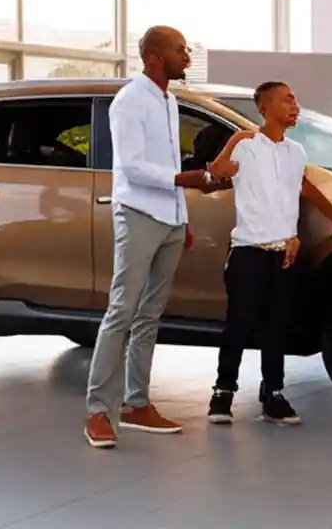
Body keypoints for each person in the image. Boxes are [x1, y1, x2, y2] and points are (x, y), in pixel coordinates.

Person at [83, 25, 224, 449]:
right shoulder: (129, 101)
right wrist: (191, 179)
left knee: (150, 315)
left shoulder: (169, 100)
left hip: (169, 220)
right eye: (180, 50)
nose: (187, 56)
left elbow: (166, 161)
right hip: (138, 215)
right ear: (154, 58)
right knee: (121, 311)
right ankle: (97, 412)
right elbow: (134, 167)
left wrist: (184, 221)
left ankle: (135, 403)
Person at [204, 81, 332, 426]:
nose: (295, 105)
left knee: (277, 325)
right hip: (248, 252)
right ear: (265, 107)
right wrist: (235, 140)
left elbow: (302, 189)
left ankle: (274, 393)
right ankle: (223, 392)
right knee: (239, 324)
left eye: (295, 99)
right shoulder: (246, 146)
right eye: (287, 100)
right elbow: (216, 174)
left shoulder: (296, 152)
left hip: (284, 253)